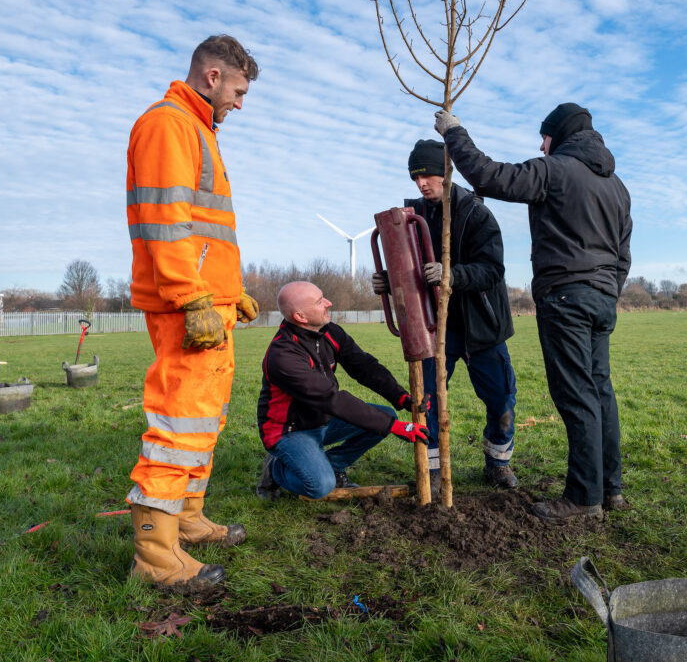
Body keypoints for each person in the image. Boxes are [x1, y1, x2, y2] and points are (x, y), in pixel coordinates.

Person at [434, 103, 632, 520]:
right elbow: (623, 253)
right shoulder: (617, 186)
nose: (541, 146)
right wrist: (608, 290)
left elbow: (490, 176)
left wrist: (454, 132)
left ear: (560, 134)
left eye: (544, 137)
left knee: (576, 394)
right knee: (600, 391)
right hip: (601, 300)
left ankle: (583, 498)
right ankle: (610, 490)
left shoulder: (556, 169)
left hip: (566, 297)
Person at [123, 35, 261, 590]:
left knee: (203, 418)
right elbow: (166, 221)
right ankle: (156, 555)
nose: (240, 104)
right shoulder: (169, 124)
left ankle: (186, 518)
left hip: (208, 302)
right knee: (178, 423)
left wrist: (230, 290)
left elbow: (205, 231)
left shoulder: (198, 129)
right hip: (187, 306)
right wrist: (192, 296)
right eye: (238, 91)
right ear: (212, 76)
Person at [372, 139, 518, 495]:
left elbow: (492, 269)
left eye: (427, 175)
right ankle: (433, 472)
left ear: (447, 171)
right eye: (415, 177)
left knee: (501, 399)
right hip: (435, 326)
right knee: (428, 401)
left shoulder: (476, 213)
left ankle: (498, 463)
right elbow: (409, 270)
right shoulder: (410, 218)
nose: (421, 183)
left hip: (482, 326)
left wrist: (451, 274)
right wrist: (389, 281)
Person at [255, 281, 428, 500]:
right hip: (290, 430)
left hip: (323, 419)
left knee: (385, 416)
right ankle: (276, 469)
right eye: (319, 301)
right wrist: (394, 427)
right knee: (319, 486)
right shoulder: (283, 356)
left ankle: (334, 465)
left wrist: (400, 396)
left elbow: (363, 366)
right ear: (300, 316)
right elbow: (331, 399)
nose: (329, 303)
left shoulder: (329, 332)